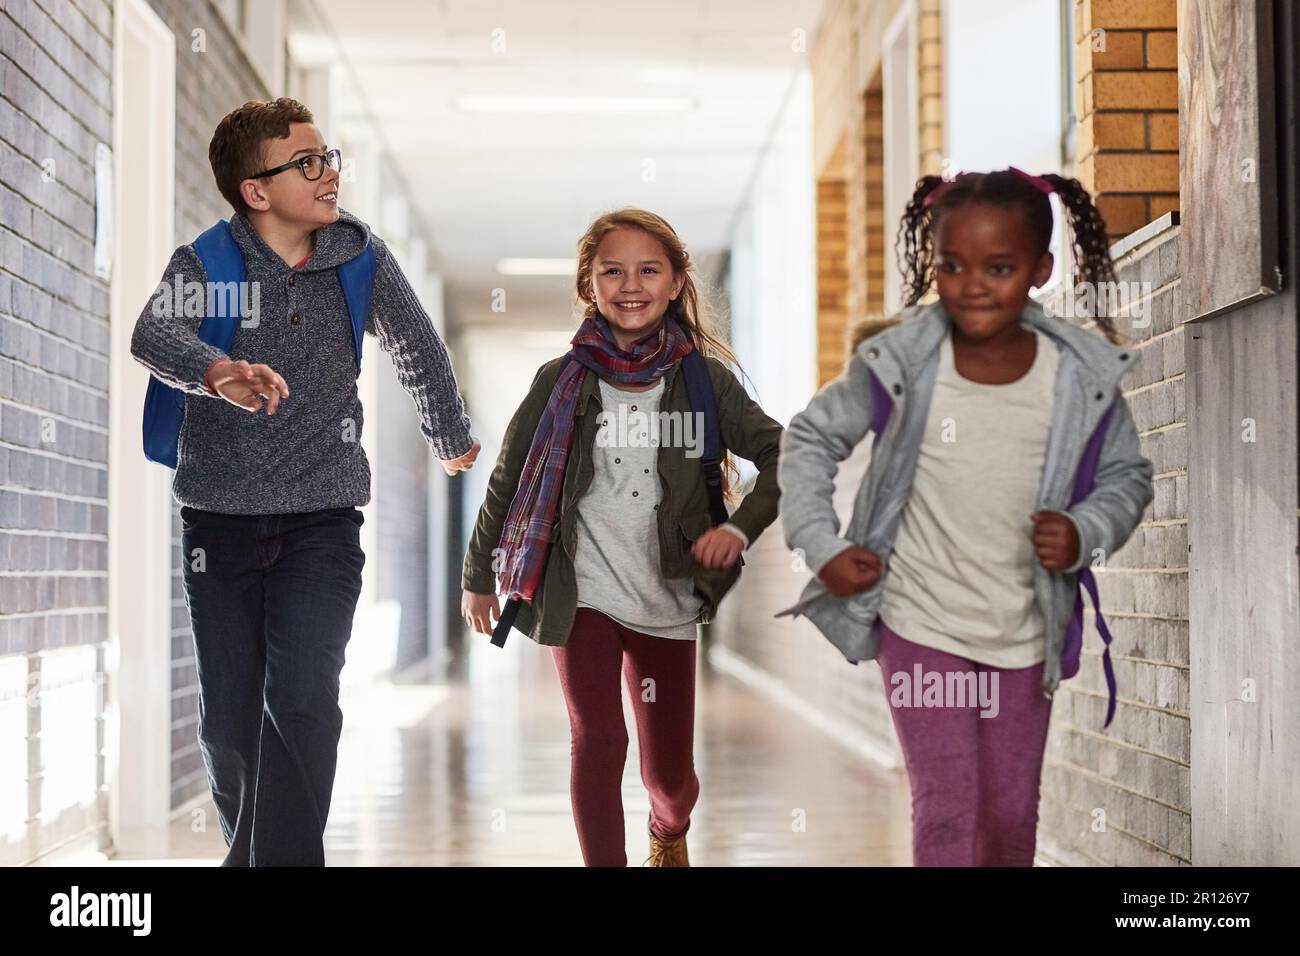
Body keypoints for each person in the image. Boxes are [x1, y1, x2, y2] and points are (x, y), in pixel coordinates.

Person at [129, 97, 479, 865]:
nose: (328, 175)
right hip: (218, 525)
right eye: (307, 163)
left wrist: (448, 434)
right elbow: (153, 334)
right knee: (227, 723)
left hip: (323, 522)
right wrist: (217, 371)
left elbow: (418, 346)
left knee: (300, 700)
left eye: (330, 159)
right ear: (256, 190)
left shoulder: (357, 258)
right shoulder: (210, 265)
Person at [778, 167, 1153, 866]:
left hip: (1022, 628)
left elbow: (1126, 476)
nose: (972, 284)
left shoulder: (1075, 376)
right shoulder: (903, 363)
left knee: (1009, 818)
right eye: (952, 265)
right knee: (948, 812)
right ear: (934, 263)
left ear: (1041, 270)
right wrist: (821, 543)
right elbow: (810, 438)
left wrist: (1083, 530)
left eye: (999, 266)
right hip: (920, 622)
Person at [461, 209, 783, 866]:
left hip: (668, 594)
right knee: (598, 739)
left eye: (647, 270)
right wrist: (477, 575)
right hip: (580, 592)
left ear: (674, 284)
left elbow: (786, 455)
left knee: (669, 779)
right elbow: (508, 475)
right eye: (612, 270)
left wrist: (740, 528)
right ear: (588, 283)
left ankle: (669, 831)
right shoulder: (561, 381)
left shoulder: (703, 383)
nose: (629, 284)